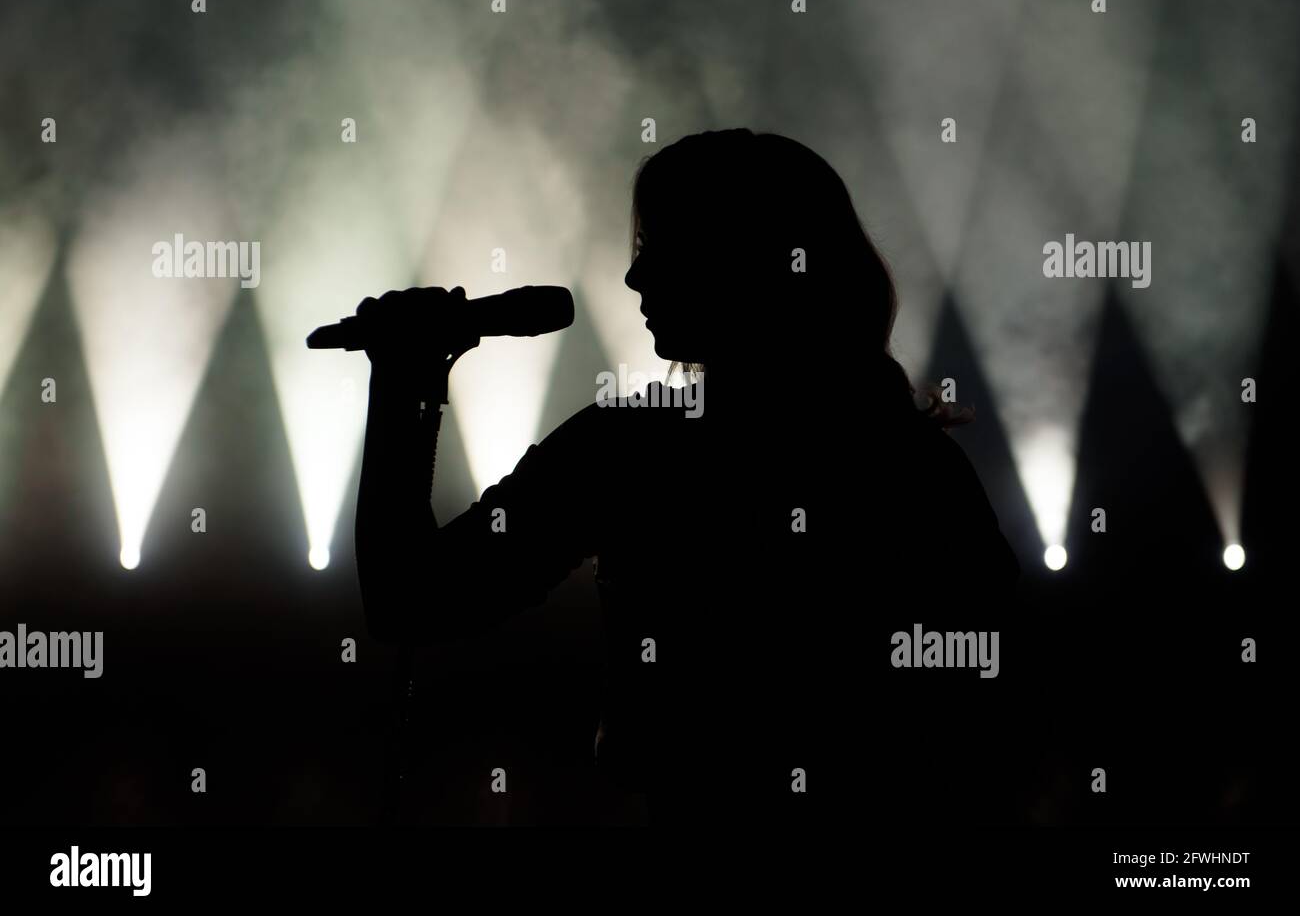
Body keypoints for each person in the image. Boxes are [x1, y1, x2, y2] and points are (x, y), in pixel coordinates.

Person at [353, 128, 1020, 826]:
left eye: (656, 248)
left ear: (738, 257)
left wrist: (406, 384)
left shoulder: (634, 447)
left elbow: (412, 596)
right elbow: (991, 705)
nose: (634, 278)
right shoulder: (914, 462)